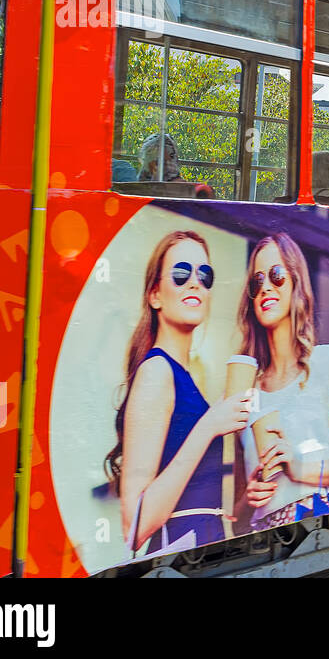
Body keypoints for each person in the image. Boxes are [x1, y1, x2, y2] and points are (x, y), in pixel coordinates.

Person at [105, 230, 253, 556]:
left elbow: (196, 499)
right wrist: (209, 426)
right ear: (155, 295)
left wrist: (247, 496)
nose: (195, 282)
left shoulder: (178, 374)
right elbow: (135, 526)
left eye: (205, 275)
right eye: (181, 273)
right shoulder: (157, 372)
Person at [234, 233, 329, 531]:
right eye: (257, 282)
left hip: (314, 523)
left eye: (277, 275)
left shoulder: (326, 363)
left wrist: (298, 468)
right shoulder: (246, 388)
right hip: (261, 537)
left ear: (296, 285)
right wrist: (247, 498)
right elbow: (236, 517)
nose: (266, 286)